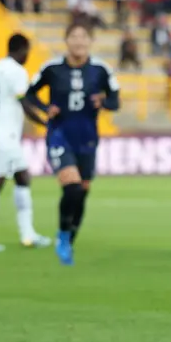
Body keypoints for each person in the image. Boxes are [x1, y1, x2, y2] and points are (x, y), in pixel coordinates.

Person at [25, 21, 120, 266]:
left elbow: (115, 101)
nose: (78, 42)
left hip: (87, 138)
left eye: (83, 37)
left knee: (82, 193)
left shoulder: (100, 70)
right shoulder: (52, 68)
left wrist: (104, 102)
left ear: (90, 41)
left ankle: (70, 236)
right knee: (73, 187)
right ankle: (63, 235)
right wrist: (47, 109)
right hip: (60, 135)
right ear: (66, 41)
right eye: (74, 37)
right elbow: (29, 93)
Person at [0, 34, 53, 252]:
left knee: (22, 177)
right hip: (4, 135)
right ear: (23, 50)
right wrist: (45, 122)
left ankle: (28, 234)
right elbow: (24, 102)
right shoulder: (16, 71)